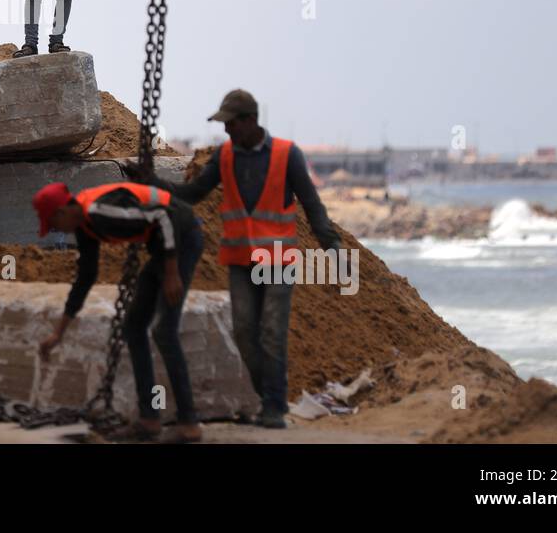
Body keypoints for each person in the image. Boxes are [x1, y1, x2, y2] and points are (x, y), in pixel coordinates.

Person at [150, 88, 342, 429]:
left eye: (231, 124)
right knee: (243, 332)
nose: (226, 131)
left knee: (272, 330)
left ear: (251, 121)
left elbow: (312, 205)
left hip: (279, 260)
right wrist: (153, 184)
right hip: (240, 260)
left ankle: (274, 407)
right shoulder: (225, 157)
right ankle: (269, 397)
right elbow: (193, 194)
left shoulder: (286, 155)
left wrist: (334, 250)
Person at [34, 180, 203, 442]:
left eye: (54, 225)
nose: (58, 231)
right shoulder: (85, 226)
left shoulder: (100, 212)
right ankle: (149, 419)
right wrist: (58, 333)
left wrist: (172, 273)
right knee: (134, 327)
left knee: (164, 330)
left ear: (61, 211)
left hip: (184, 237)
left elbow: (164, 214)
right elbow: (85, 278)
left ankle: (189, 423)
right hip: (162, 249)